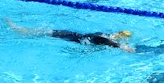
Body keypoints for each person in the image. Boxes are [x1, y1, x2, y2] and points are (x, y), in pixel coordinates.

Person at [7, 19, 135, 52]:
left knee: (42, 32)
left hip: (71, 36)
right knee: (30, 33)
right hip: (68, 36)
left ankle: (18, 28)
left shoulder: (106, 36)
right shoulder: (104, 38)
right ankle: (15, 27)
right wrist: (120, 46)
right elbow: (99, 40)